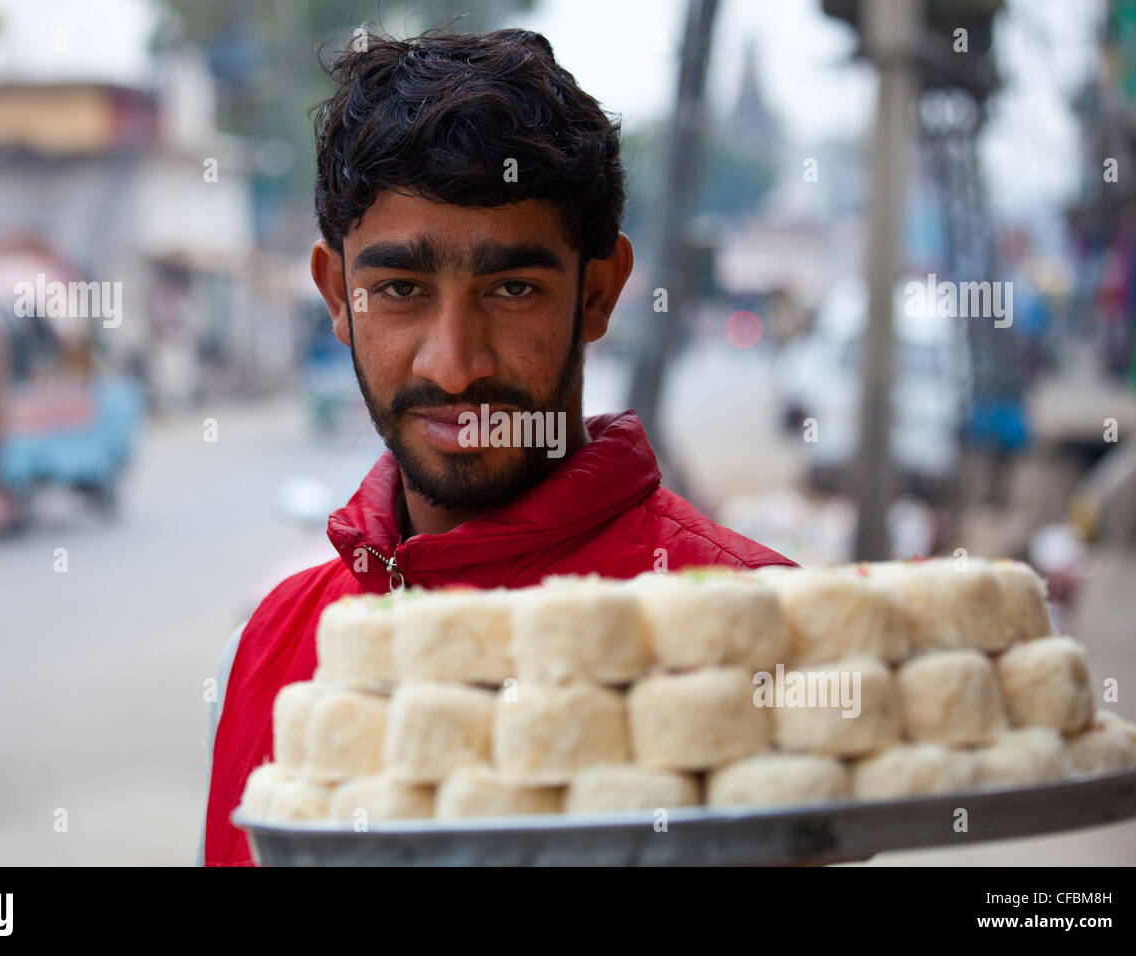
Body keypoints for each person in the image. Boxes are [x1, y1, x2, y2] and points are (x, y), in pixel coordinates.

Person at [199, 26, 798, 866]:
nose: (453, 367)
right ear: (338, 295)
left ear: (599, 292)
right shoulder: (277, 640)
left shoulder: (757, 629)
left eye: (511, 288)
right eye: (399, 290)